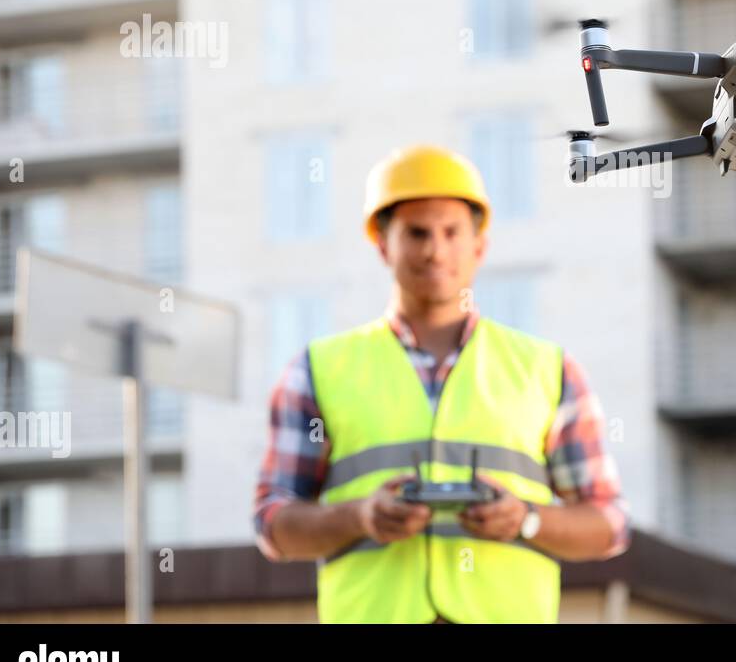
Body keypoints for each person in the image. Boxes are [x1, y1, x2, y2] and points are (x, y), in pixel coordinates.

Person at [253, 145, 629, 622]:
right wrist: (360, 516)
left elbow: (609, 524)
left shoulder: (547, 369)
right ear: (382, 245)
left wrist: (526, 519)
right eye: (416, 233)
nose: (435, 250)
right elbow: (273, 523)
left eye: (451, 232)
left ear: (479, 245)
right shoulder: (317, 369)